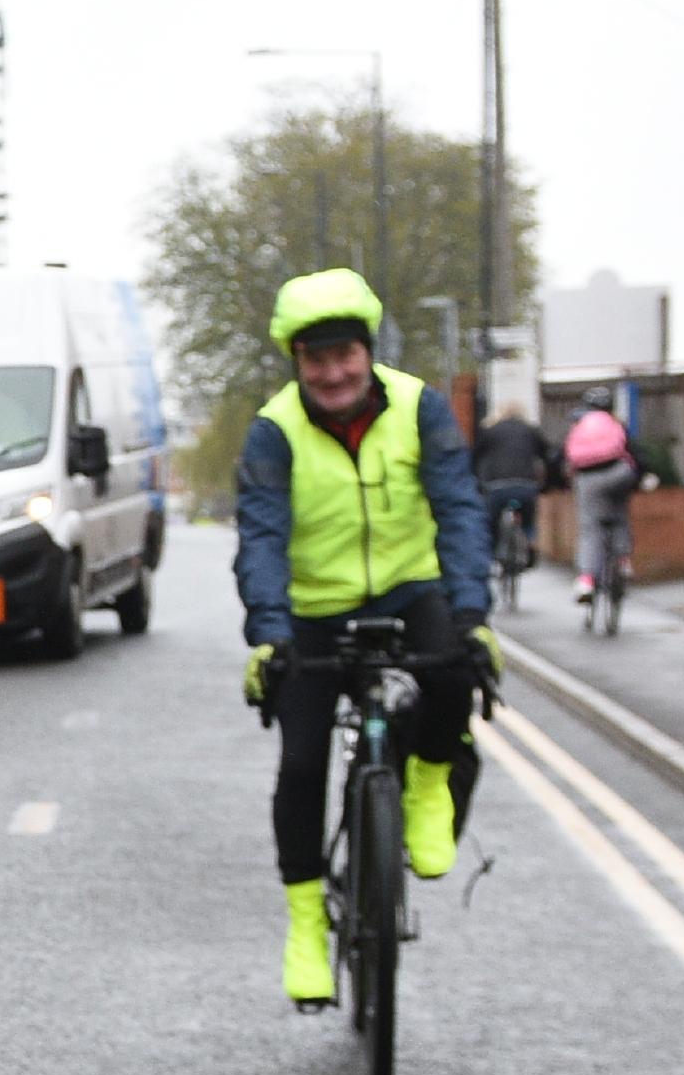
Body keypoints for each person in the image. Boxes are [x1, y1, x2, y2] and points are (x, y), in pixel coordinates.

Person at [234, 269, 494, 1007]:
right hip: (315, 611)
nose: (333, 372)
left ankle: (427, 784)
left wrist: (472, 614)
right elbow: (261, 537)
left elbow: (460, 510)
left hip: (412, 592)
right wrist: (270, 635)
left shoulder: (419, 408)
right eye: (316, 359)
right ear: (297, 361)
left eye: (344, 354)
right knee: (302, 762)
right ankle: (306, 925)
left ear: (366, 351)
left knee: (452, 677)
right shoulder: (273, 430)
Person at [563, 387, 645, 606]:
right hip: (619, 474)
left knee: (591, 528)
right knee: (619, 516)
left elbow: (564, 458)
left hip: (588, 480)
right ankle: (623, 561)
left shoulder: (579, 424)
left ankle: (587, 580)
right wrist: (639, 480)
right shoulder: (616, 424)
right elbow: (637, 455)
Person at [472, 398, 548, 576]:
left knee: (491, 523)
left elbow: (475, 457)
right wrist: (546, 484)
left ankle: (492, 558)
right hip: (526, 485)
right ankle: (530, 541)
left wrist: (476, 482)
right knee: (529, 520)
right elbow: (547, 455)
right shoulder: (531, 431)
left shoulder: (489, 431)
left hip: (496, 487)